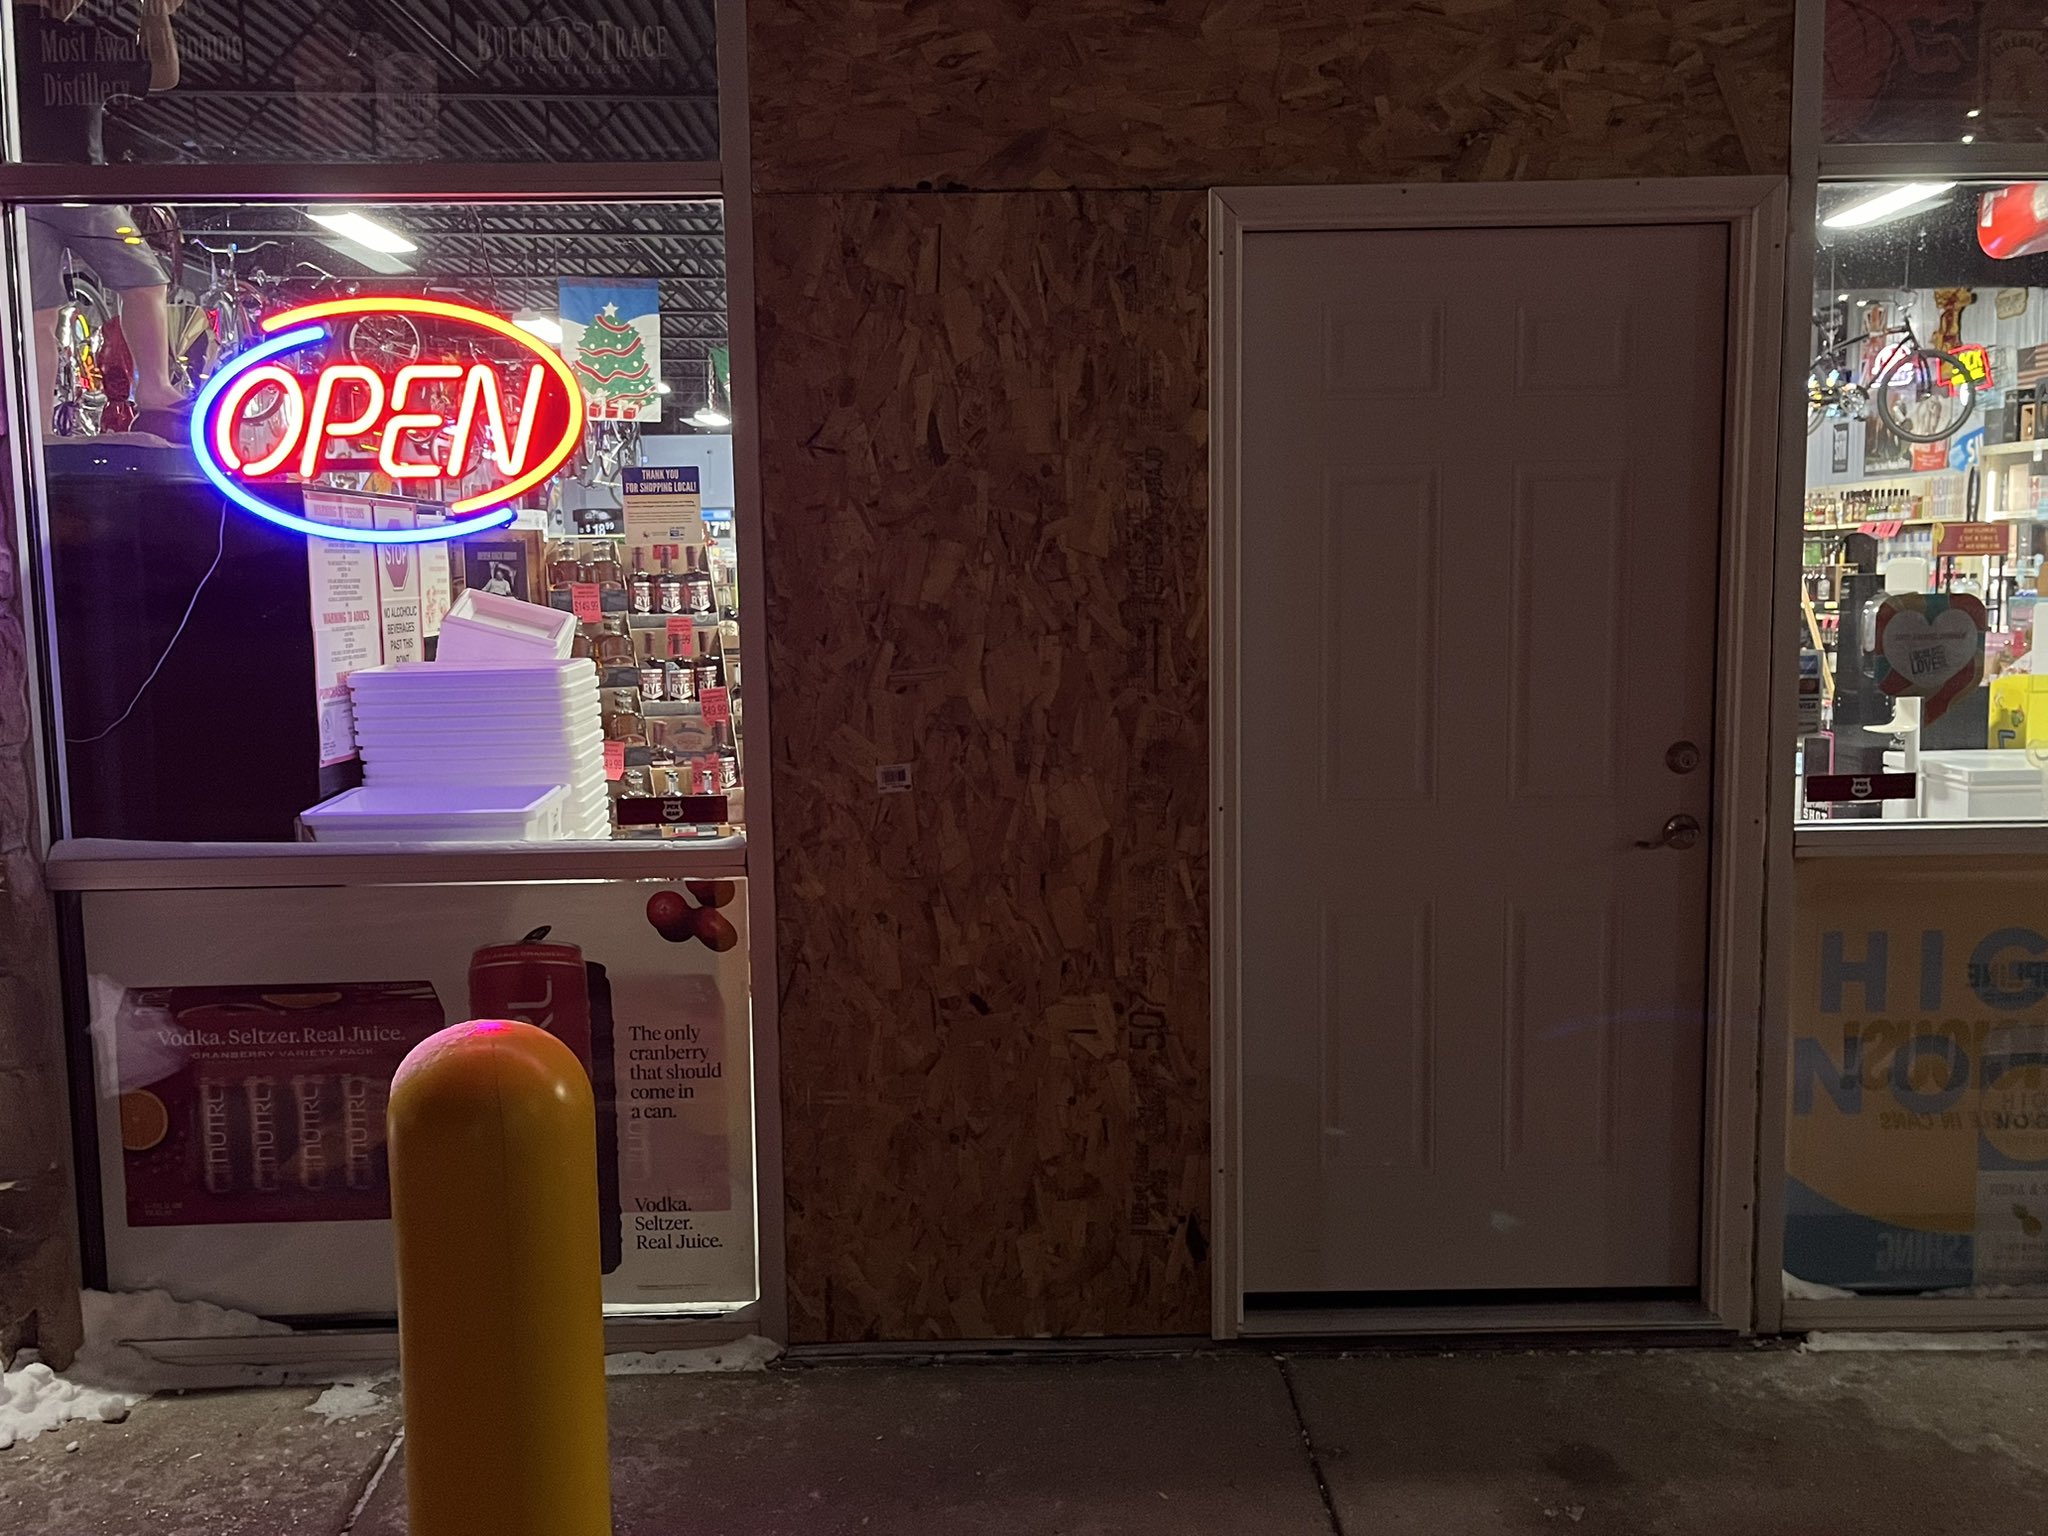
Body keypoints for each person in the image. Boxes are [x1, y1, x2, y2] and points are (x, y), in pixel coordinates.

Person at [14, 0, 186, 429]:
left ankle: (35, 428)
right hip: (83, 191)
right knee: (146, 280)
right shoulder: (80, 44)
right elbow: (163, 75)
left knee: (38, 317)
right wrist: (154, 11)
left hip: (19, 190)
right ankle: (154, 388)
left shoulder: (7, 44)